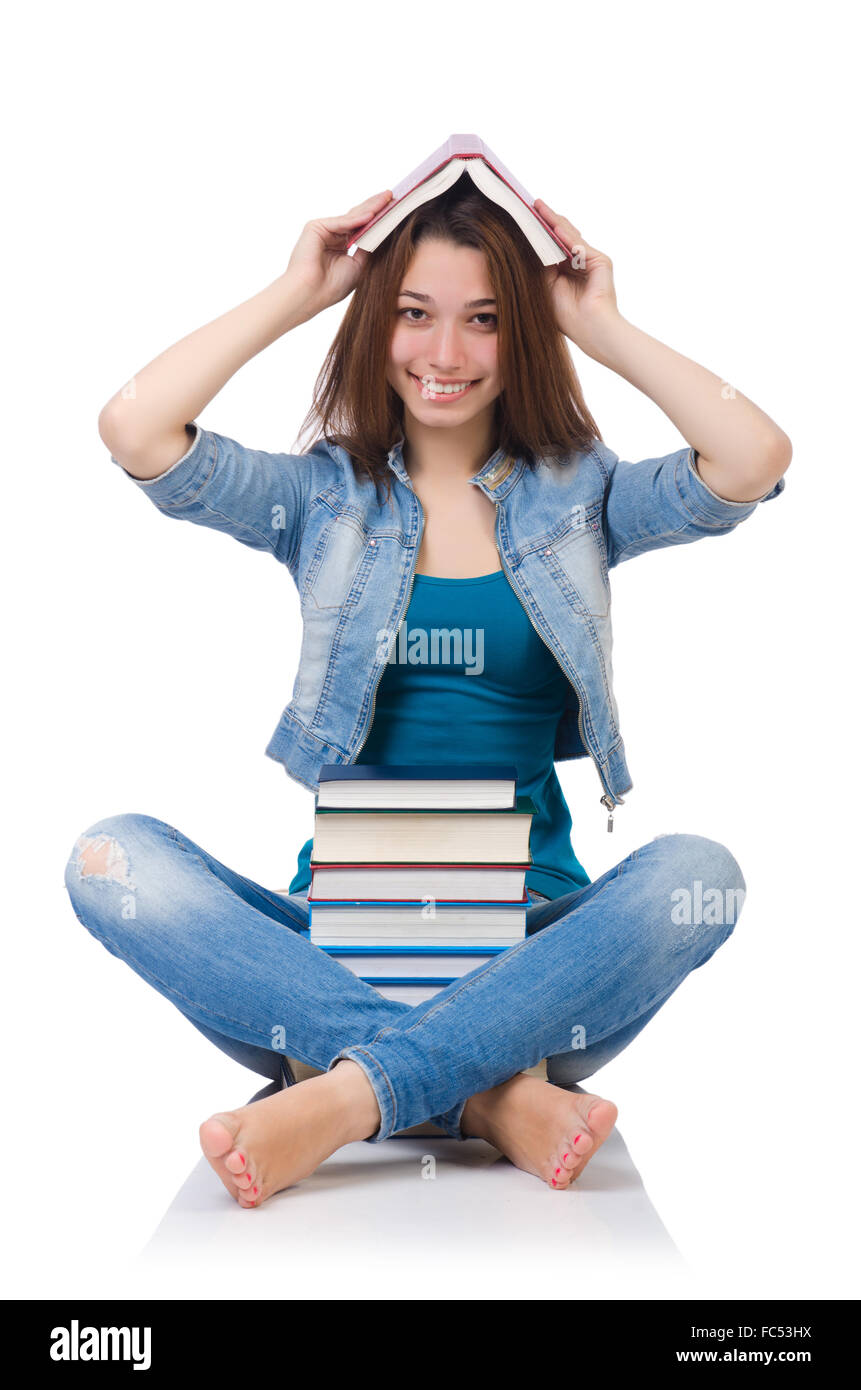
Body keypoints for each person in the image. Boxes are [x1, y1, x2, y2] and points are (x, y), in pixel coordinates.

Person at [65, 175, 790, 1208]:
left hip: (535, 957)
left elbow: (753, 459)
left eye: (486, 320)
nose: (443, 355)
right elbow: (137, 430)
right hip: (330, 946)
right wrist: (297, 291)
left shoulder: (582, 498)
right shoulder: (321, 498)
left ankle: (343, 1095)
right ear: (379, 322)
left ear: (525, 332)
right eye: (414, 313)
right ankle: (488, 1096)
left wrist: (601, 324)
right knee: (109, 858)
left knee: (695, 875)